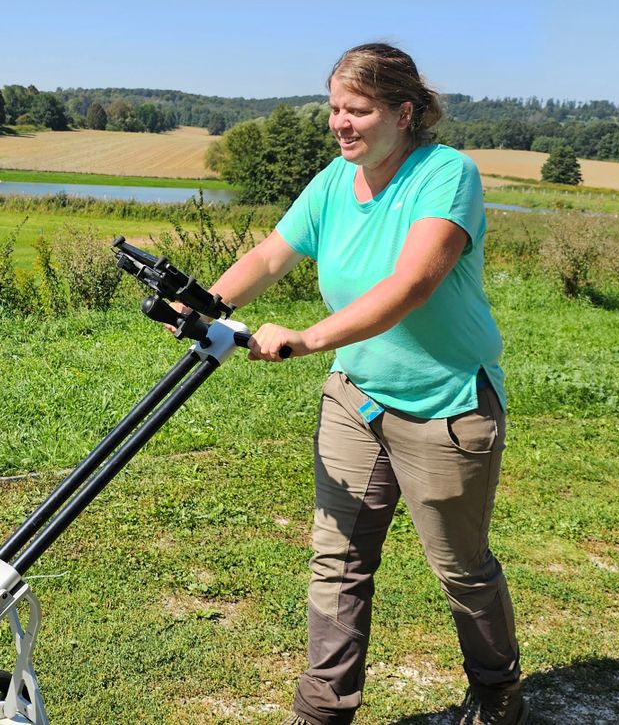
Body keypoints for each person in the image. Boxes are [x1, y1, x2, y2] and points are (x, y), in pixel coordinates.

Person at [205, 43, 526, 725]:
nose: (339, 124)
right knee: (337, 561)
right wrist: (205, 305)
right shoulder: (332, 181)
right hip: (356, 397)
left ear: (403, 113)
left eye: (357, 110)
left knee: (460, 569)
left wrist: (306, 338)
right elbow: (270, 255)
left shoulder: (446, 174)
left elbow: (411, 284)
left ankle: (497, 689)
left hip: (444, 405)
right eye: (333, 109)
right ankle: (322, 712)